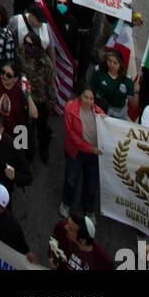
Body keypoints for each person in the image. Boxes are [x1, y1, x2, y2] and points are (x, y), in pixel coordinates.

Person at [61, 84, 104, 232]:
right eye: (86, 97)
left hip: (93, 154)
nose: (88, 100)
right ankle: (66, 202)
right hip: (76, 151)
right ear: (80, 96)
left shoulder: (98, 113)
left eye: (91, 98)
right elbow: (71, 135)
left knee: (91, 184)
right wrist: (90, 148)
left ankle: (88, 208)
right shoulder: (70, 108)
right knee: (71, 179)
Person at [49, 214, 113, 272]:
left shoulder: (103, 262)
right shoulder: (61, 228)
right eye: (67, 222)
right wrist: (51, 257)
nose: (65, 227)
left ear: (81, 240)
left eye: (70, 229)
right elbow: (53, 244)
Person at [90, 49, 134, 118]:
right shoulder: (98, 72)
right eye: (109, 61)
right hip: (100, 109)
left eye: (115, 62)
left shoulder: (127, 80)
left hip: (119, 113)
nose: (111, 64)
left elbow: (131, 99)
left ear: (121, 64)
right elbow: (90, 88)